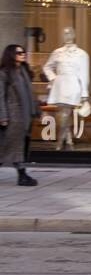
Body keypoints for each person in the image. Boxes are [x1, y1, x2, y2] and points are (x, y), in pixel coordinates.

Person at [0, 44, 39, 186]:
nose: (23, 54)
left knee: (12, 146)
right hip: (13, 115)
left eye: (23, 52)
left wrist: (35, 109)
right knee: (12, 146)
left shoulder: (23, 71)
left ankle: (22, 175)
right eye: (19, 53)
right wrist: (3, 116)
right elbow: (1, 96)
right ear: (11, 55)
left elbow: (29, 93)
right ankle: (22, 176)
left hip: (25, 115)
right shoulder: (4, 73)